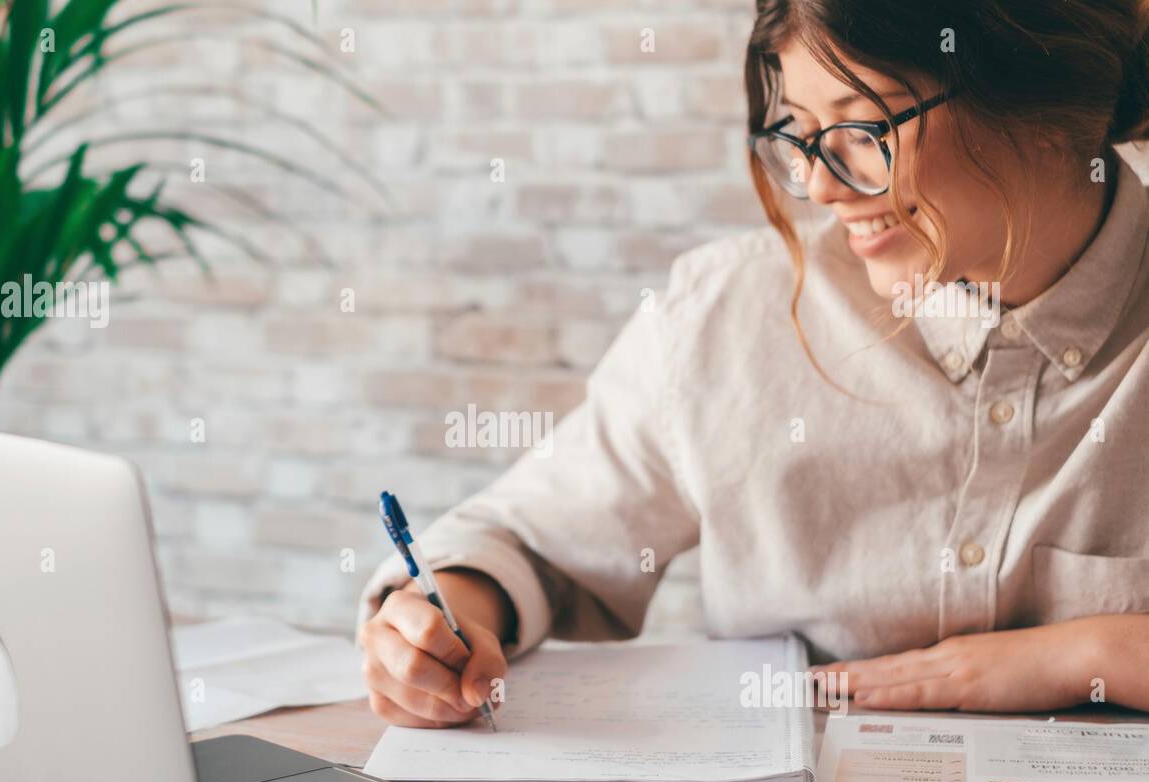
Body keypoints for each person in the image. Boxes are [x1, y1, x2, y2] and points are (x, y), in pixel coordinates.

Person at [357, 0, 1149, 727]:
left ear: (1043, 105)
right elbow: (527, 541)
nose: (816, 185)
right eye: (799, 133)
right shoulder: (728, 316)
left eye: (864, 128)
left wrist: (1088, 658)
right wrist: (442, 622)